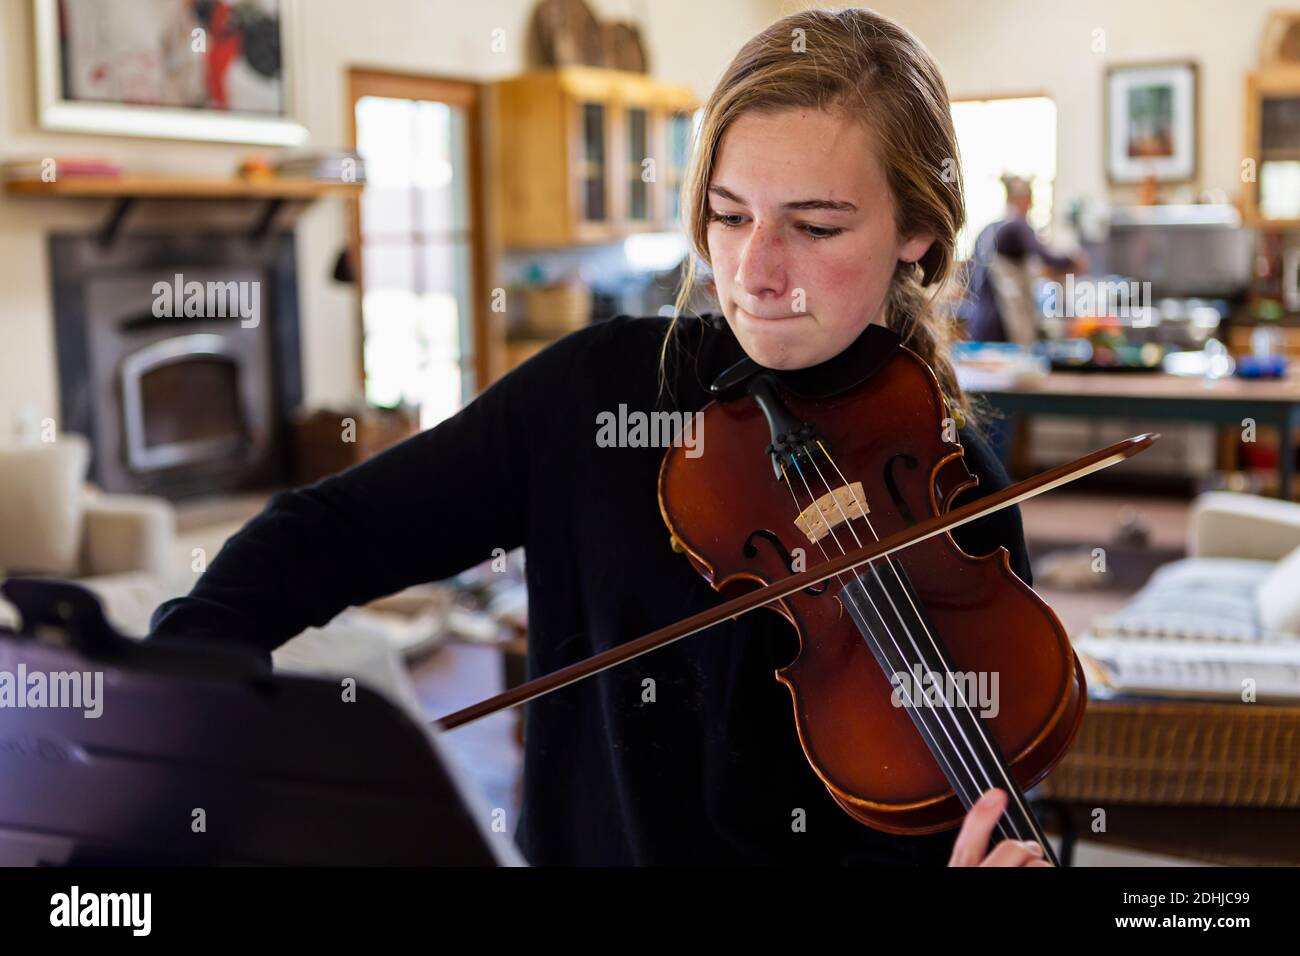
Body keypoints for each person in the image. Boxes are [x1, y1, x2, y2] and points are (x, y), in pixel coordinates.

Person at [149, 7, 1049, 868]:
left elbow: (946, 819)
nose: (754, 271)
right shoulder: (596, 394)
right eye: (730, 215)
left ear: (919, 236)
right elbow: (338, 530)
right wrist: (175, 668)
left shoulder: (954, 493)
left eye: (815, 227)